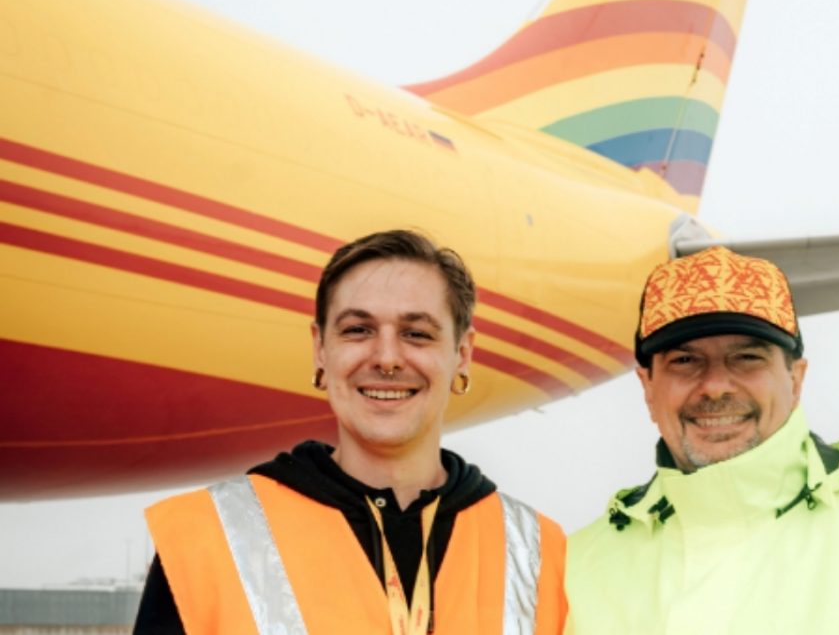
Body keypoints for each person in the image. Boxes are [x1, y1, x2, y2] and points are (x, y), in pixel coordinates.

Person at [135, 230, 566, 634]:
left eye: (417, 333)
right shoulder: (207, 538)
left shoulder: (539, 553)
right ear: (321, 348)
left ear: (463, 353)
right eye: (358, 330)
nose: (387, 358)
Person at [564, 246, 839, 634]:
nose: (715, 386)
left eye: (747, 357)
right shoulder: (574, 570)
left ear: (796, 378)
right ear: (647, 387)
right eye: (685, 360)